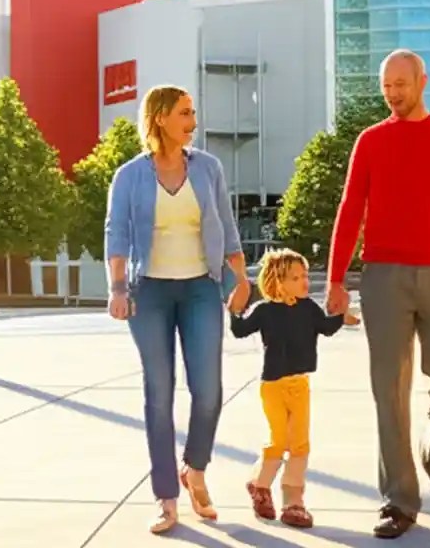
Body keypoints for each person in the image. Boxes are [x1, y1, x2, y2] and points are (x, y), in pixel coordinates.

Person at [324, 49, 430, 539]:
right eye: (387, 87)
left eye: (401, 83)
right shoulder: (371, 141)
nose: (394, 93)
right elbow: (350, 208)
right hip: (383, 277)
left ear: (423, 80)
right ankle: (399, 498)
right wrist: (336, 278)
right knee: (390, 389)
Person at [104, 84, 251, 535]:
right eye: (185, 112)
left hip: (201, 290)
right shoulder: (129, 175)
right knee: (160, 393)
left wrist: (242, 280)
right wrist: (117, 287)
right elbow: (117, 233)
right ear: (161, 117)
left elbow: (226, 227)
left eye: (194, 111)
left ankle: (196, 469)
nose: (193, 120)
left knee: (208, 389)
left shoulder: (208, 168)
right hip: (149, 294)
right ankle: (167, 497)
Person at [229, 248, 358, 529]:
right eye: (296, 277)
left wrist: (342, 316)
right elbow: (240, 330)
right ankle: (260, 485)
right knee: (278, 441)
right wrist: (234, 309)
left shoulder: (308, 307)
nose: (304, 282)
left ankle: (293, 502)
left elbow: (325, 327)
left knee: (299, 444)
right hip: (273, 386)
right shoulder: (264, 310)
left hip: (300, 384)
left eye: (305, 276)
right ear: (278, 280)